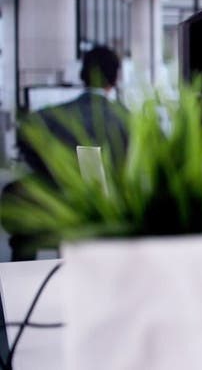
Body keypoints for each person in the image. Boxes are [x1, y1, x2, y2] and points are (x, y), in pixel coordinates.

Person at [2, 45, 129, 260]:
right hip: (108, 215)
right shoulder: (130, 121)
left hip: (52, 208)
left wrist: (51, 171)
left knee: (20, 196)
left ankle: (22, 281)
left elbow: (25, 140)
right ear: (116, 78)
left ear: (82, 76)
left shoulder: (46, 117)